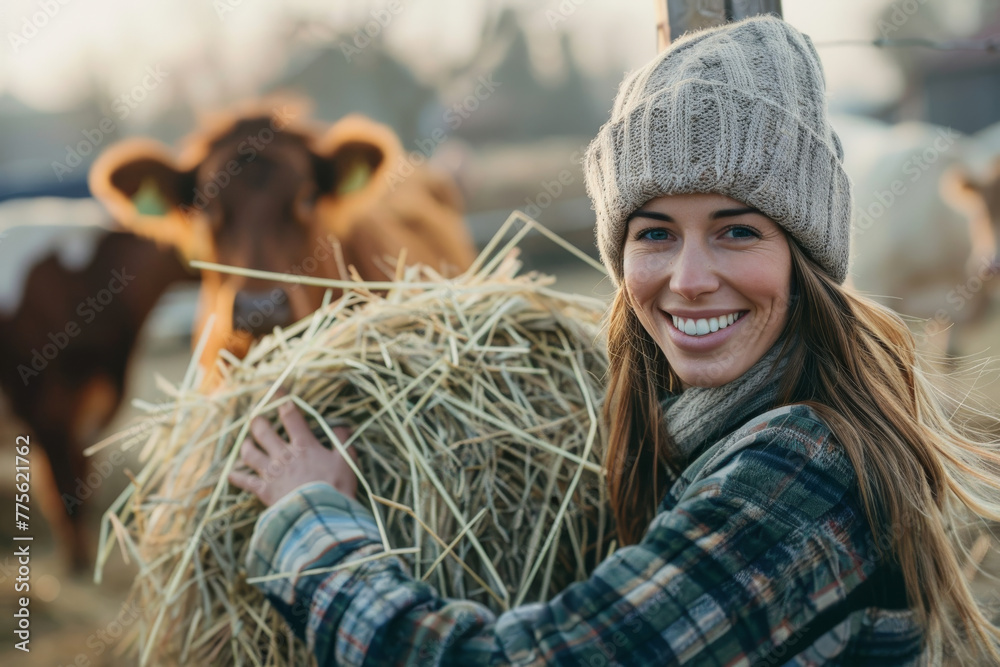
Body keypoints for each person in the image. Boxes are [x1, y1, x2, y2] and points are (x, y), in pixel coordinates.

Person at [228, 15, 1000, 665]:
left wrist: (311, 523)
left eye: (737, 230)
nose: (689, 277)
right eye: (655, 232)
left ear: (807, 259)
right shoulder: (708, 437)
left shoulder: (802, 473)